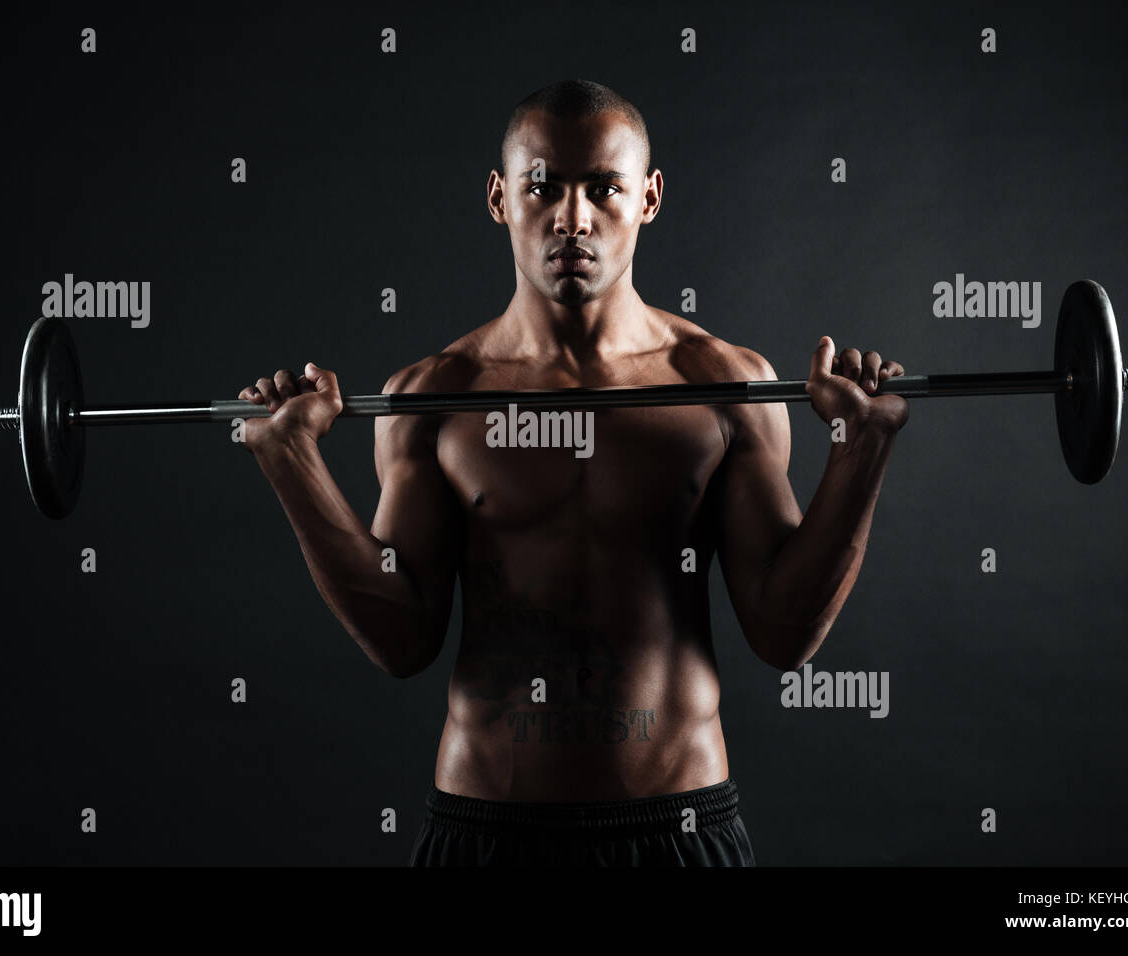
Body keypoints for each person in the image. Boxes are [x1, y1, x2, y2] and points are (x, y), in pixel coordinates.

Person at [237, 79, 908, 866]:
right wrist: (291, 461)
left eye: (603, 189)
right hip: (487, 832)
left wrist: (861, 452)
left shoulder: (728, 386)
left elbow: (785, 633)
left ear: (649, 197)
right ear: (499, 197)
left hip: (678, 831)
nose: (572, 219)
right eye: (543, 187)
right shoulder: (434, 398)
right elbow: (400, 638)